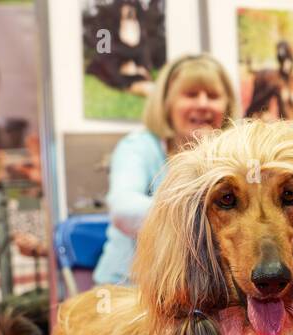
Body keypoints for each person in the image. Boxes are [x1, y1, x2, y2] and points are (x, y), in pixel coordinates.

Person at [92, 53, 236, 286]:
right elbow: (123, 208)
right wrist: (197, 217)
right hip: (130, 288)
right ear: (166, 103)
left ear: (227, 105)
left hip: (200, 289)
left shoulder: (235, 157)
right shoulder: (139, 147)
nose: (202, 104)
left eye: (213, 96)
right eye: (190, 94)